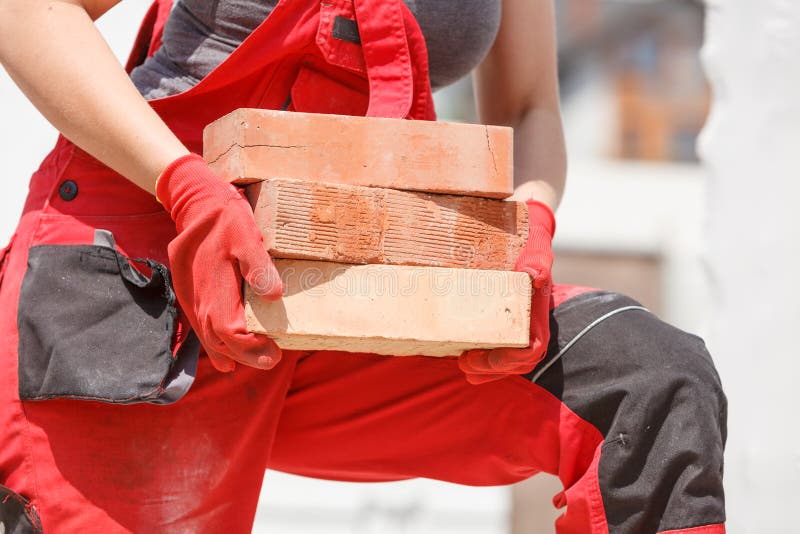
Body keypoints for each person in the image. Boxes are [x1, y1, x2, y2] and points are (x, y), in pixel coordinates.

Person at [0, 0, 726, 532]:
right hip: (148, 283)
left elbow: (532, 102)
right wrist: (184, 182)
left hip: (363, 279)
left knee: (646, 382)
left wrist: (531, 223)